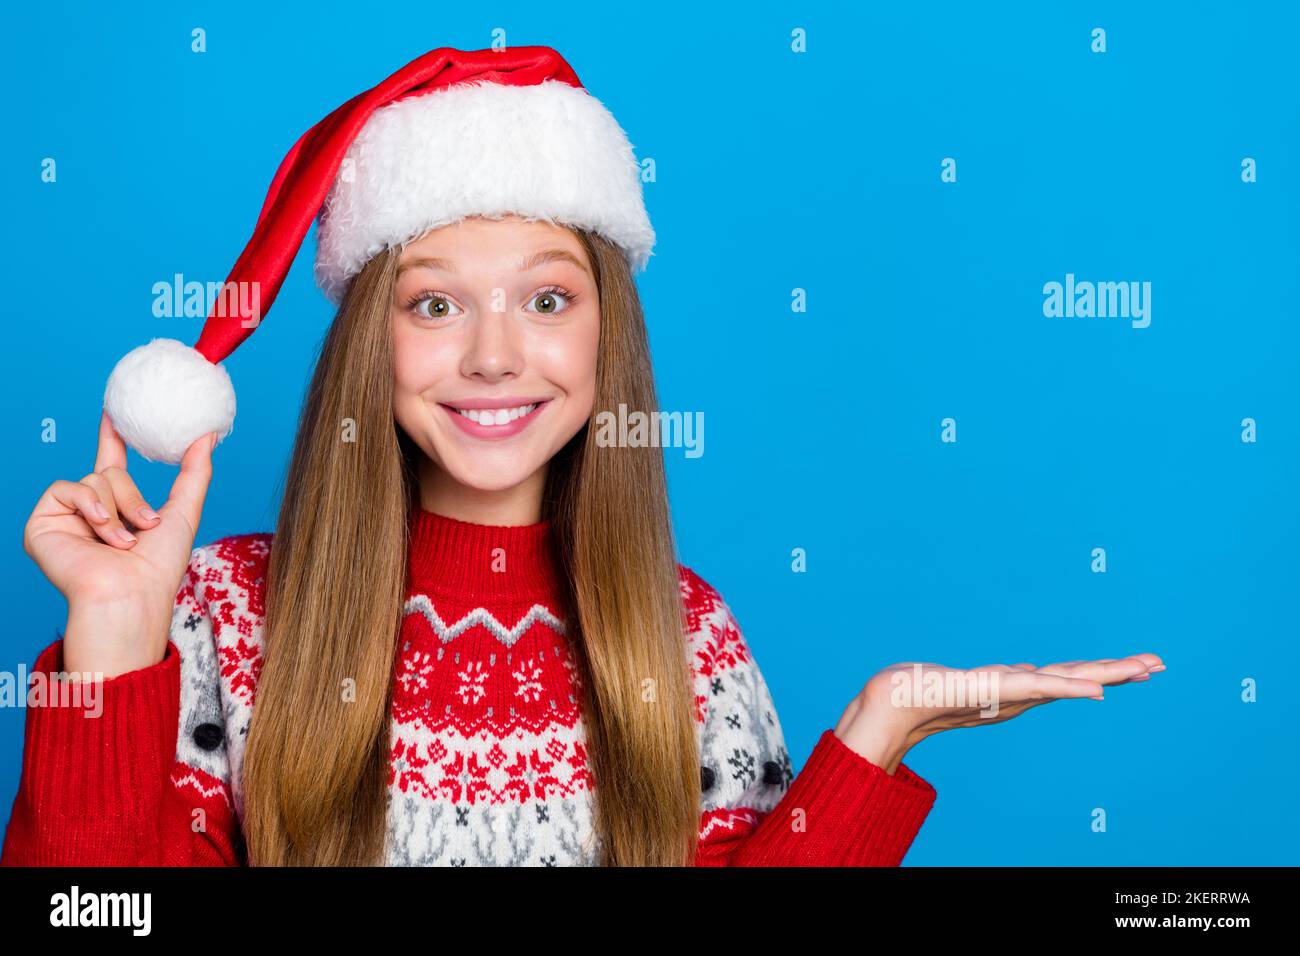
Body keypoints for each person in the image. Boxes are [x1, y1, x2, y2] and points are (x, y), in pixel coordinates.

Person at [1, 46, 1163, 867]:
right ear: (372, 346)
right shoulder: (221, 614)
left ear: (608, 333)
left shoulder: (684, 634)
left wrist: (875, 737)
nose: (497, 356)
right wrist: (110, 637)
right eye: (436, 306)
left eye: (547, 297)